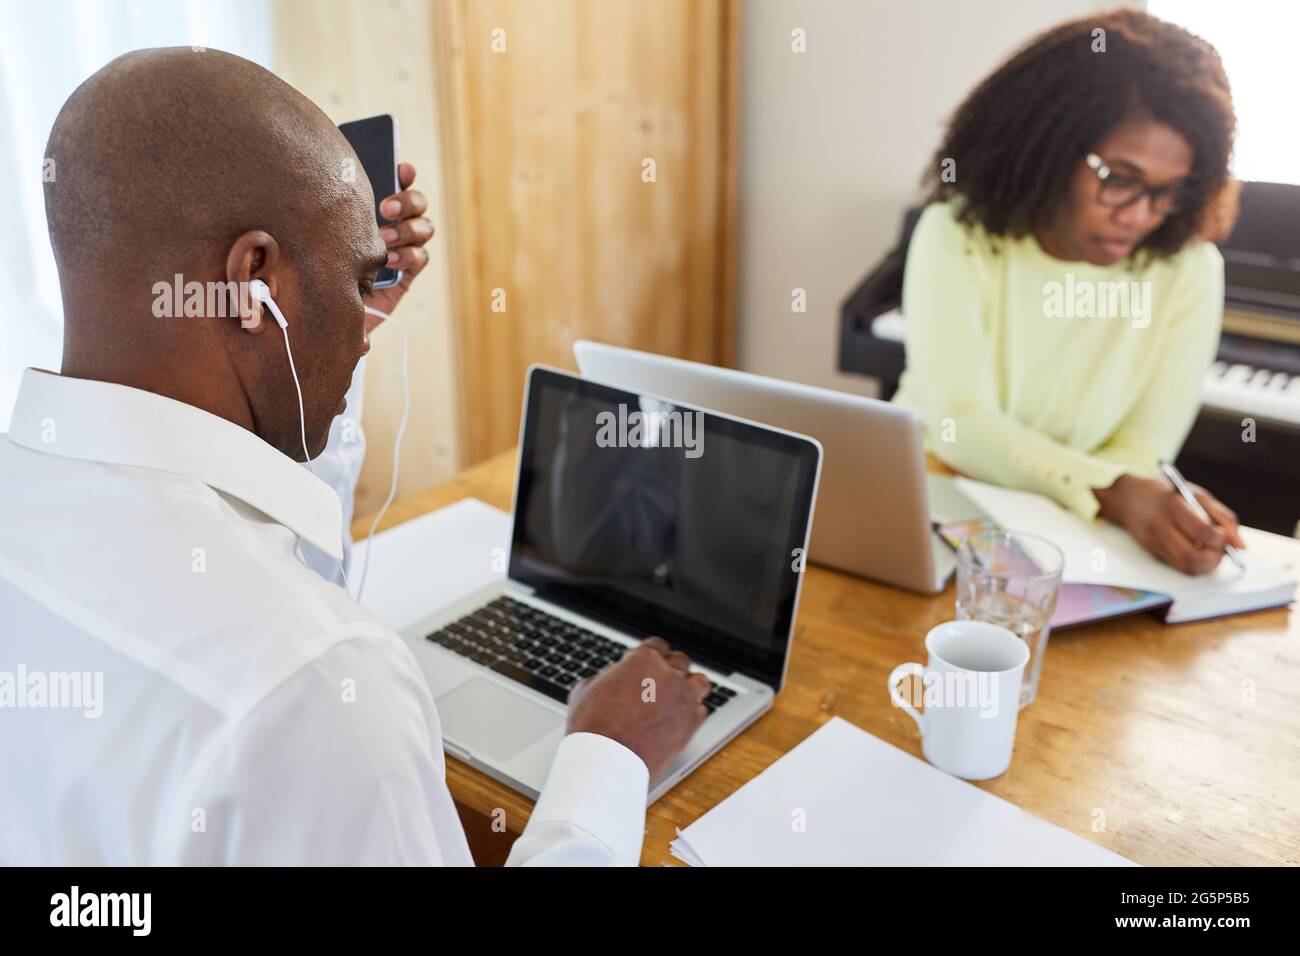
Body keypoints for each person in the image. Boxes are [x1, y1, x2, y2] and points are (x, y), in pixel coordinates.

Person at [0, 47, 709, 865]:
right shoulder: (316, 690)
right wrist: (606, 759)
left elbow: (238, 547)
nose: (369, 320)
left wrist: (322, 329)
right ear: (253, 280)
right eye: (355, 278)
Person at [891, 9, 1246, 575]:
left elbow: (1142, 450)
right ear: (1049, 148)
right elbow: (961, 424)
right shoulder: (957, 235)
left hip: (1070, 528)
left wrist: (1131, 493)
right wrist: (1116, 490)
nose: (1138, 216)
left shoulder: (1191, 270)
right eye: (1119, 178)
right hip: (927, 494)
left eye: (1167, 192)